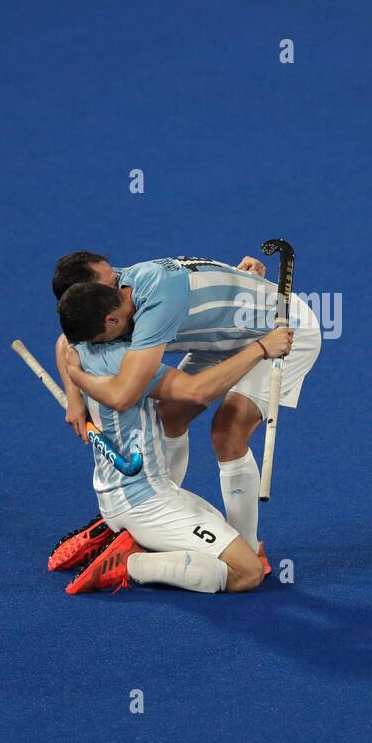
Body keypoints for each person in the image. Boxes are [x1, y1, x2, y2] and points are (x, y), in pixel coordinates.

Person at [53, 253, 322, 558]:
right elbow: (67, 341)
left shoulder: (148, 300)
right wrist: (73, 399)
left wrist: (77, 377)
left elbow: (125, 395)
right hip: (221, 333)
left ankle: (248, 547)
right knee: (170, 413)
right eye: (110, 278)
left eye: (114, 275)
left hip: (281, 331)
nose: (118, 278)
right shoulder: (105, 297)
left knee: (228, 431)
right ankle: (162, 514)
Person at [57, 325, 294, 595]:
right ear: (108, 320)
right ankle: (130, 561)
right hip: (145, 504)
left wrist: (74, 393)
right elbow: (198, 391)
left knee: (224, 537)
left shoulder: (82, 347)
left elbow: (64, 339)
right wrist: (263, 348)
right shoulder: (131, 365)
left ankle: (134, 537)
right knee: (248, 572)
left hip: (135, 492)